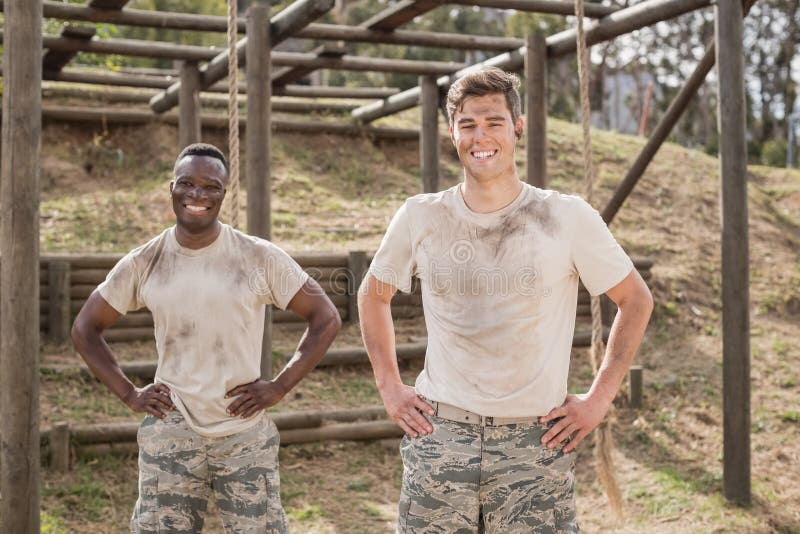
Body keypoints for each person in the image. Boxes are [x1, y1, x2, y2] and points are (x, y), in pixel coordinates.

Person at [358, 67, 654, 532]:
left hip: (536, 439)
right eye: (468, 124)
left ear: (517, 128)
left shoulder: (565, 216)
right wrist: (390, 388)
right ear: (452, 131)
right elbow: (371, 297)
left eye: (494, 122)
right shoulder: (421, 216)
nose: (481, 137)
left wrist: (599, 399)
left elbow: (635, 300)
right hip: (442, 435)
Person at [72, 142, 341, 533]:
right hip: (173, 429)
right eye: (188, 184)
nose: (197, 195)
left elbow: (326, 318)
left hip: (243, 431)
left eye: (211, 187)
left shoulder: (257, 256)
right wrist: (129, 393)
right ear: (172, 189)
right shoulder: (146, 261)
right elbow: (85, 329)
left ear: (224, 194)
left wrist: (279, 387)